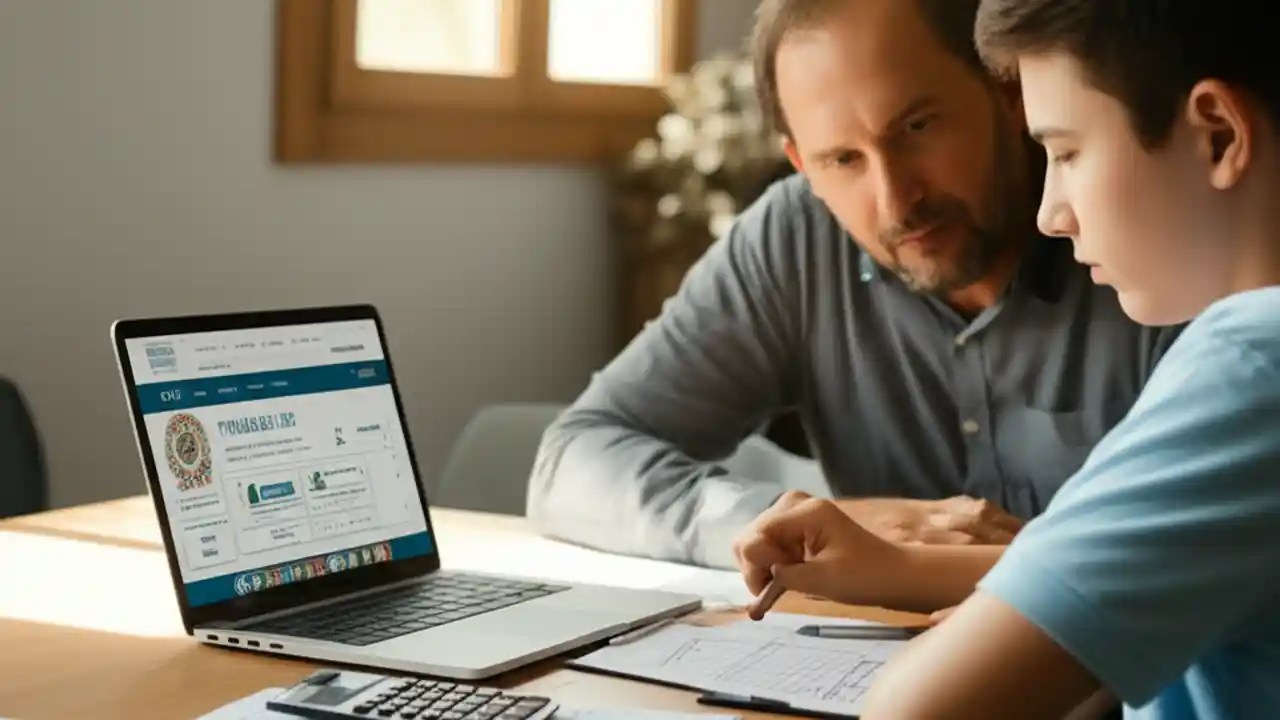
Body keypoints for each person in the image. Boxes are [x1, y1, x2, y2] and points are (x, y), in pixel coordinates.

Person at [735, 0, 1280, 717]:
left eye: (1065, 151)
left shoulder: (1250, 363)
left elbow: (914, 710)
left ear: (1217, 134)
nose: (1052, 211)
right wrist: (905, 568)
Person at [528, 0, 1179, 569]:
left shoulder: (1142, 232)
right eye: (842, 159)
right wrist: (807, 520)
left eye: (917, 127)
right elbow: (574, 463)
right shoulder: (796, 239)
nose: (896, 201)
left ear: (1007, 93)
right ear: (800, 165)